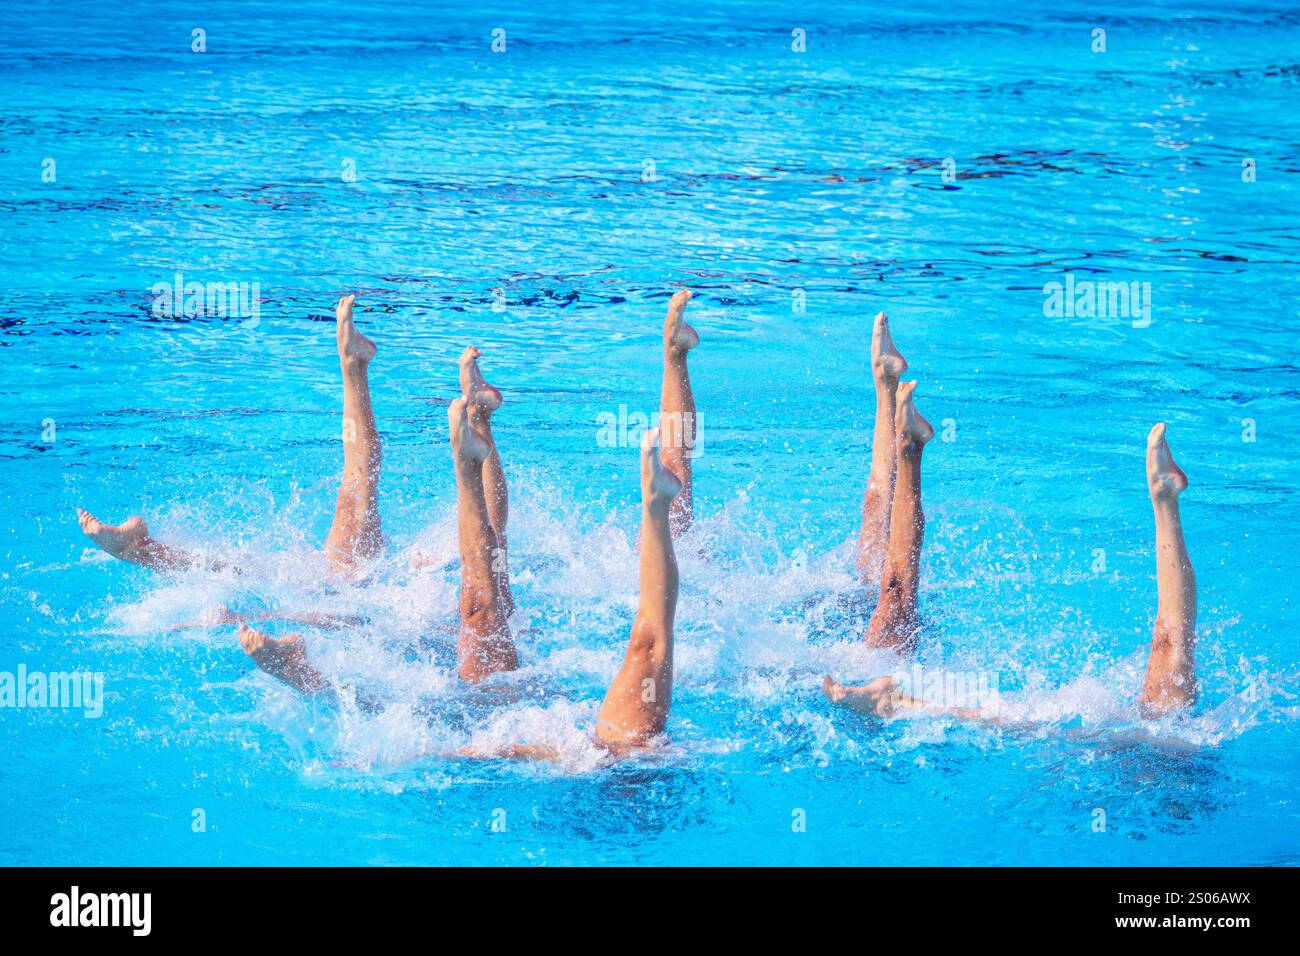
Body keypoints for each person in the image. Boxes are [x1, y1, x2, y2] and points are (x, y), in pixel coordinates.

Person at [825, 422, 1198, 721]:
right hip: (1145, 745)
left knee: (1170, 645)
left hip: (1140, 742)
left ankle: (1164, 499)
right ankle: (1164, 500)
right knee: (1168, 650)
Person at [76, 293, 383, 574]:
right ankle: (141, 551)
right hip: (342, 594)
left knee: (354, 493)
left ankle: (141, 551)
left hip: (335, 593)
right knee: (353, 498)